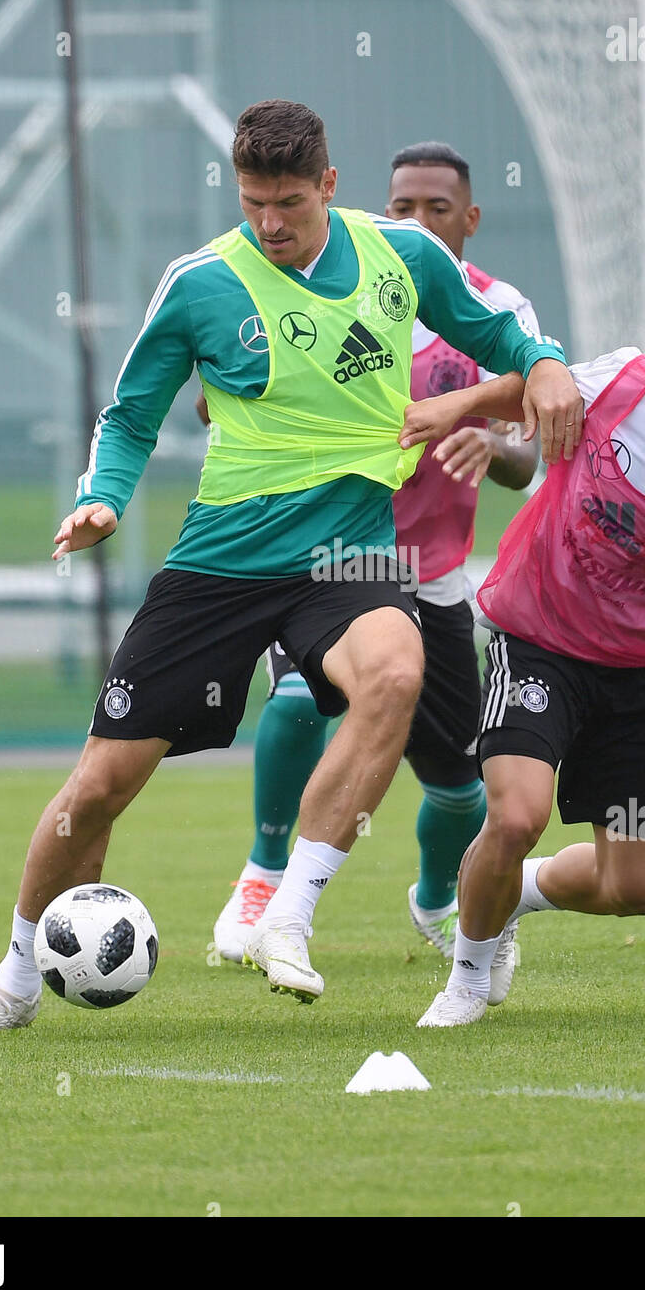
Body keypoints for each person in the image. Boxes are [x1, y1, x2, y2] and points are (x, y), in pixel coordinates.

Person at [0, 99, 581, 1032]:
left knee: (396, 672)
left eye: (288, 203)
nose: (270, 223)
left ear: (328, 185)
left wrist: (545, 363)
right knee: (101, 786)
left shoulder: (404, 255)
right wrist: (104, 497)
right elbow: (131, 413)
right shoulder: (200, 283)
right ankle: (12, 981)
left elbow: (502, 337)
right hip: (223, 560)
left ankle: (288, 913)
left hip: (348, 549)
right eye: (252, 203)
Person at [397, 292, 645, 1027]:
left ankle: (514, 892)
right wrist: (453, 406)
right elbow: (538, 387)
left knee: (637, 888)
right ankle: (467, 979)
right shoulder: (628, 384)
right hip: (540, 635)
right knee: (516, 815)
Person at [211, 141, 541, 969]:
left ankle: (435, 898)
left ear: (469, 219)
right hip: (331, 556)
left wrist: (486, 439)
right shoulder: (322, 286)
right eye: (402, 207)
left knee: (458, 788)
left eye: (437, 208)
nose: (416, 221)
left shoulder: (499, 312)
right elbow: (222, 398)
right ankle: (263, 875)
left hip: (432, 575)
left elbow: (527, 456)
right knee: (296, 702)